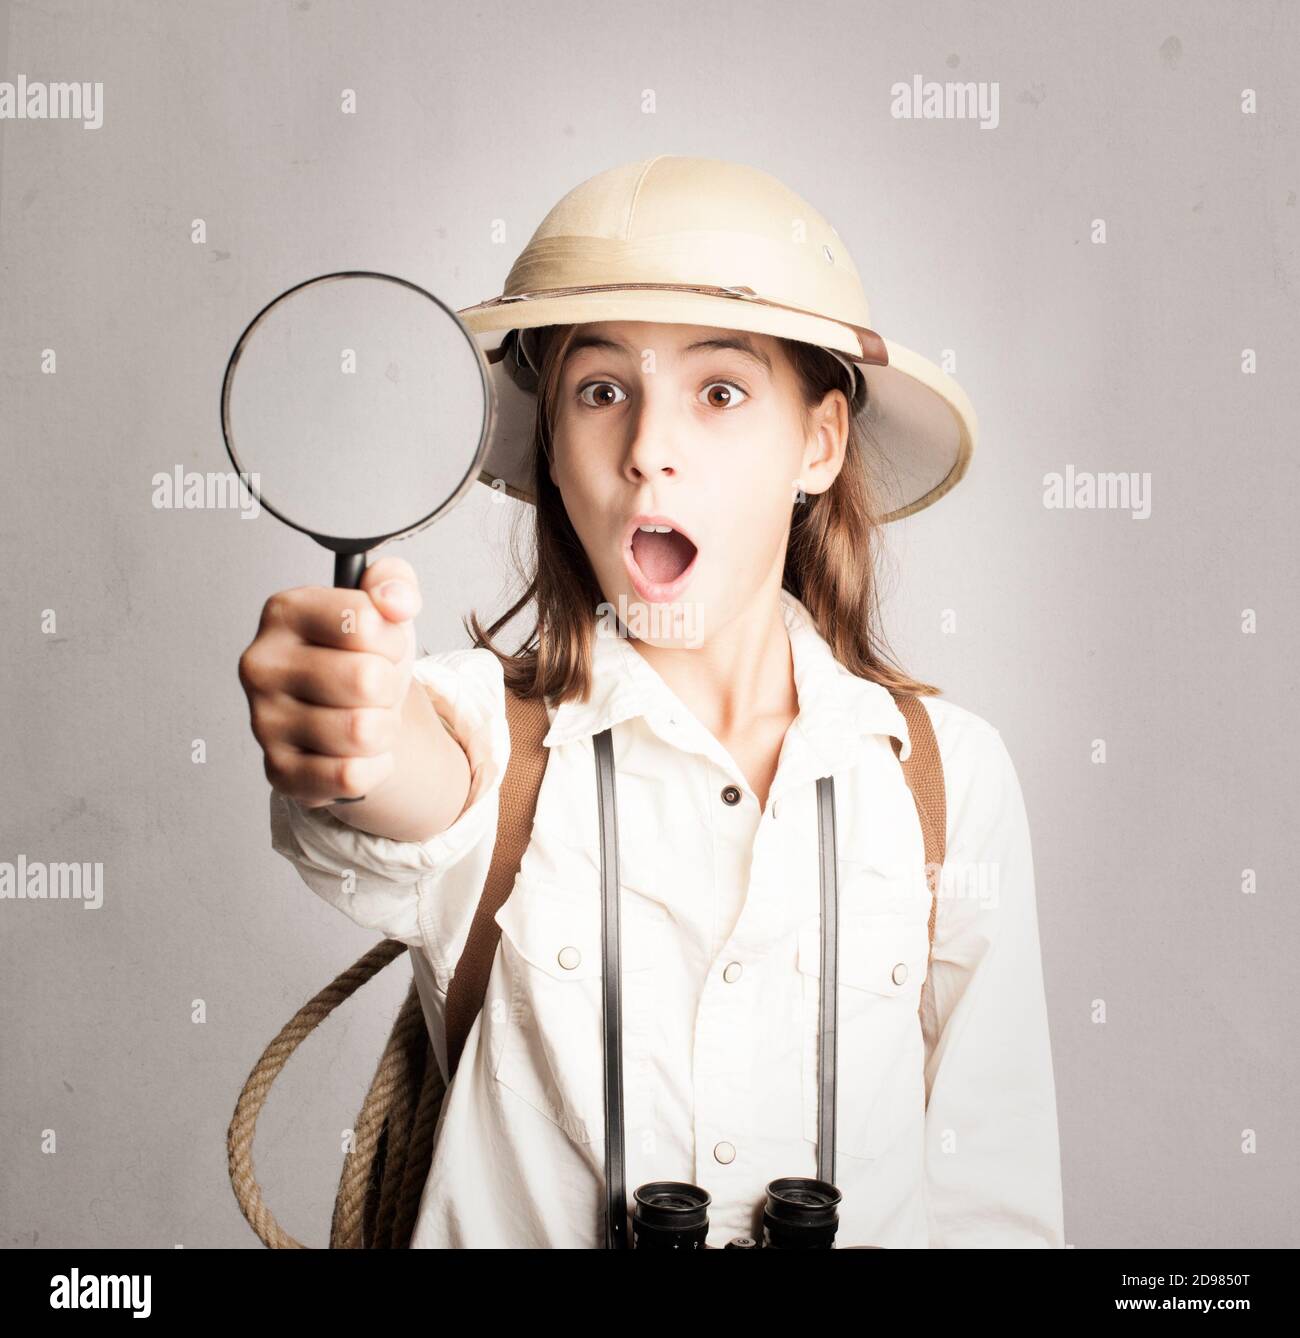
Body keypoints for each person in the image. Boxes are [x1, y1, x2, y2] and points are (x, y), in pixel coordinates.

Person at [237, 155, 1065, 1248]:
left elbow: (992, 1200)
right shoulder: (487, 733)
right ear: (554, 443)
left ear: (817, 443)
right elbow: (403, 777)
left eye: (718, 392)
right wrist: (351, 724)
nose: (648, 453)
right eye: (600, 392)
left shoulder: (944, 776)